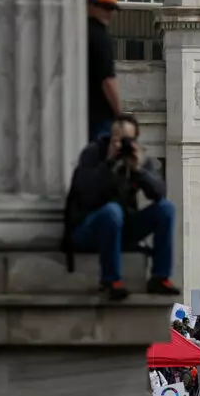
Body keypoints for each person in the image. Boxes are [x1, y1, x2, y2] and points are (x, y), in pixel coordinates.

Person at [66, 113, 180, 300]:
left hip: (122, 227)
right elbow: (84, 193)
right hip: (88, 228)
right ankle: (111, 280)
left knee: (166, 209)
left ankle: (160, 278)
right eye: (117, 139)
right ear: (109, 137)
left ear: (135, 139)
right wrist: (109, 162)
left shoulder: (138, 157)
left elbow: (159, 193)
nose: (122, 145)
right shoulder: (94, 153)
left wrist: (139, 171)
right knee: (112, 211)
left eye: (127, 139)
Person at [86, 0, 121, 140]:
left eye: (112, 8)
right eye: (106, 8)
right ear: (91, 6)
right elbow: (107, 81)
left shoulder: (78, 32)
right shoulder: (100, 37)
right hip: (100, 118)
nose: (110, 13)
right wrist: (120, 114)